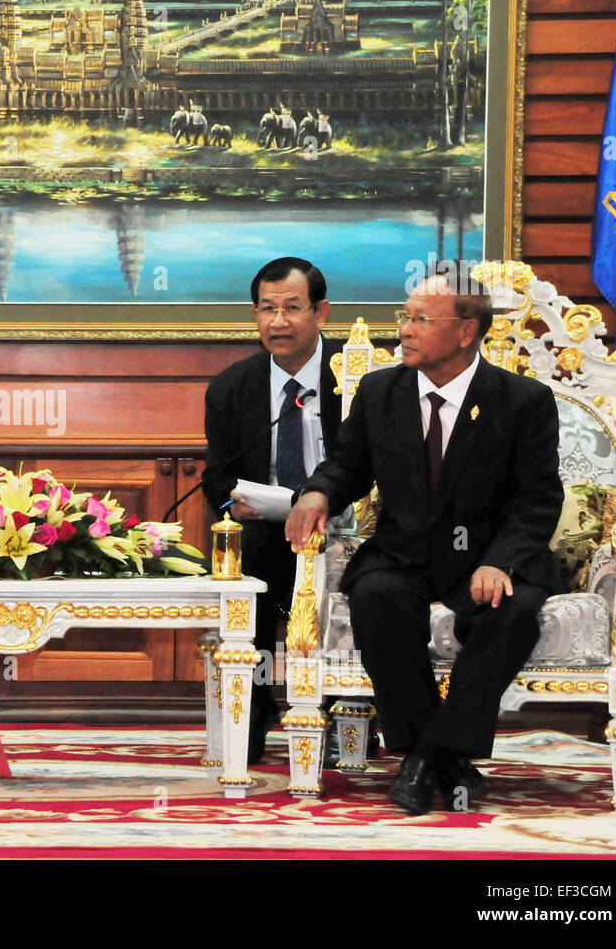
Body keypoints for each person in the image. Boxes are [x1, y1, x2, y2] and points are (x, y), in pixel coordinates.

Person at [285, 267, 563, 814]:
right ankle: (445, 759)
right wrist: (318, 493)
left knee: (514, 611)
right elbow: (346, 466)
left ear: (466, 332)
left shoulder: (522, 400)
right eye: (404, 318)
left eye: (420, 320)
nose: (405, 331)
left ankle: (423, 758)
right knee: (376, 598)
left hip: (487, 556)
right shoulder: (380, 390)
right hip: (404, 552)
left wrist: (502, 561)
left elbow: (538, 499)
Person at [203, 256, 341, 763]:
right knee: (247, 564)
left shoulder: (361, 377)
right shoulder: (231, 387)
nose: (277, 322)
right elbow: (216, 477)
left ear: (321, 312)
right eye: (266, 309)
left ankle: (339, 706)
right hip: (267, 528)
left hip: (343, 526)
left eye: (292, 308)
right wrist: (233, 505)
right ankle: (257, 706)